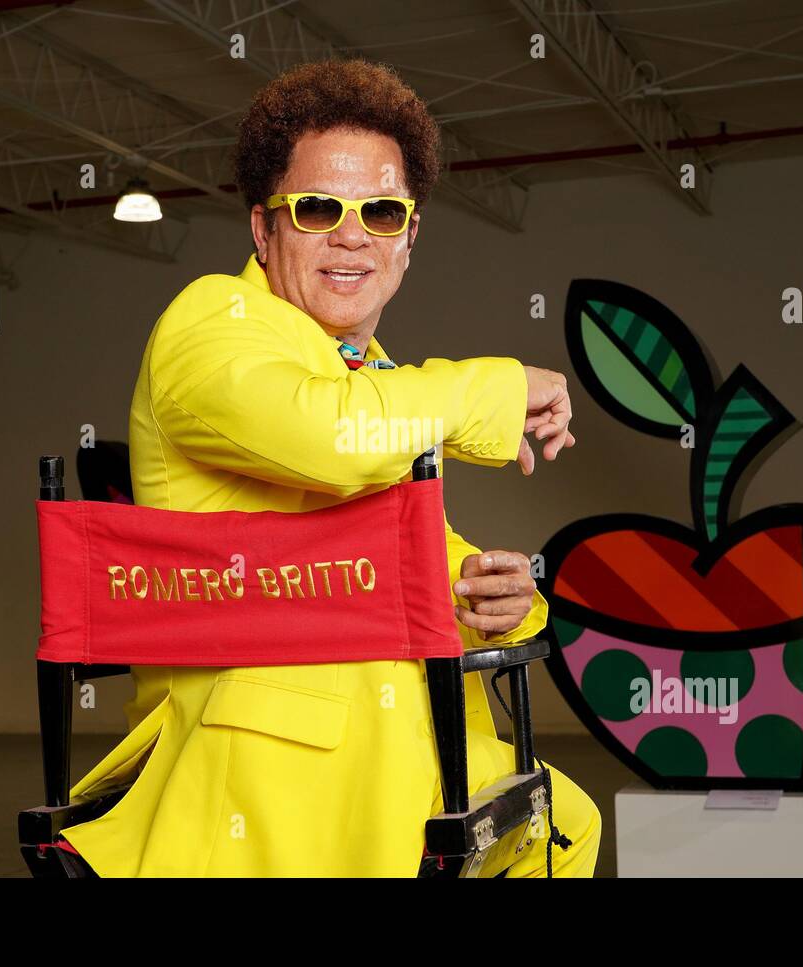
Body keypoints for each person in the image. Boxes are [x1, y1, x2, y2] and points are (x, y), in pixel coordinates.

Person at [60, 58, 601, 877]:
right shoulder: (212, 323)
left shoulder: (380, 378)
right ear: (264, 229)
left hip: (391, 746)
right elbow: (332, 437)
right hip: (265, 758)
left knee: (568, 823)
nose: (353, 235)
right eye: (319, 208)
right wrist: (498, 386)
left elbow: (408, 563)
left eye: (382, 212)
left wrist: (499, 603)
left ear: (409, 239)